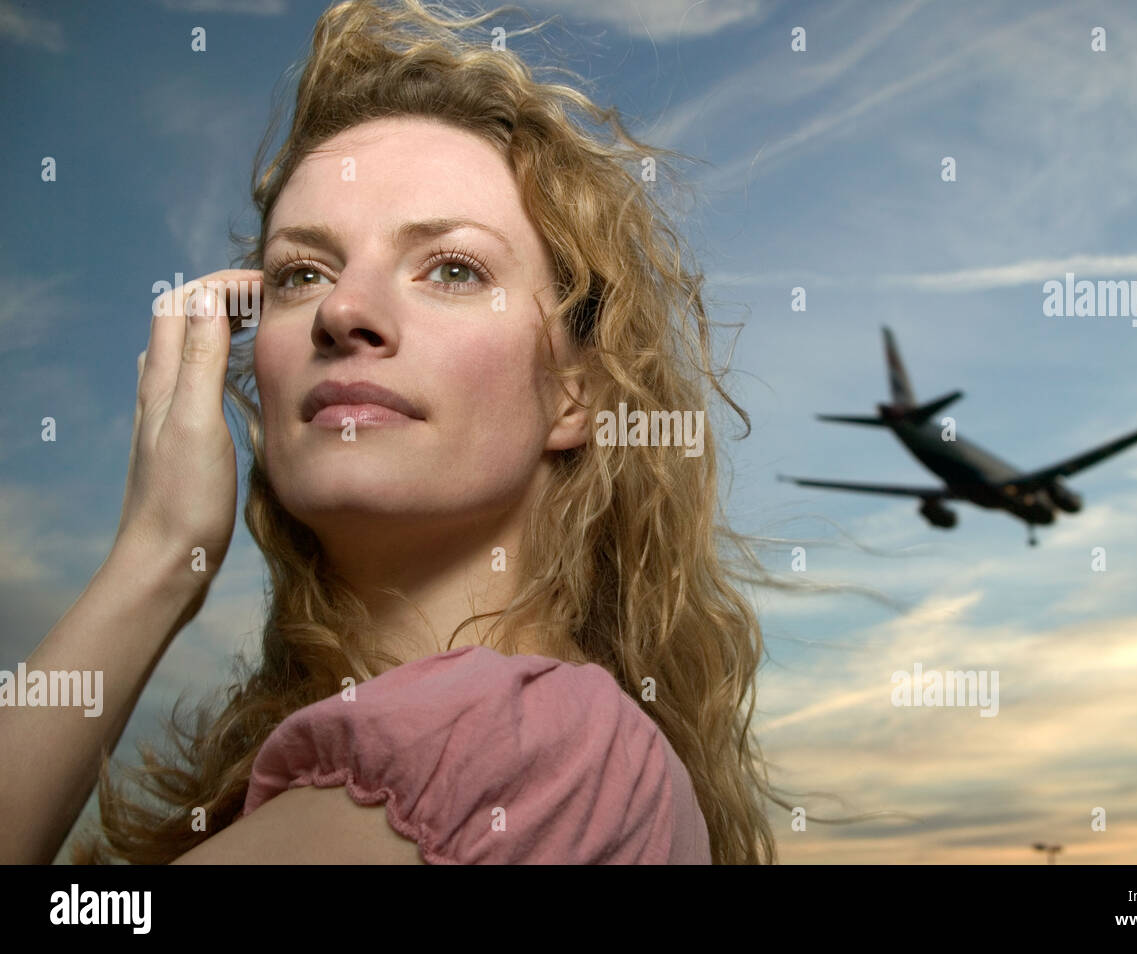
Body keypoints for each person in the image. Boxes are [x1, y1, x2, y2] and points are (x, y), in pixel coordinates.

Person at [0, 0, 778, 864]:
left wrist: (151, 559)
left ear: (571, 392)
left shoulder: (546, 748)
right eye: (302, 272)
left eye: (451, 268)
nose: (343, 309)